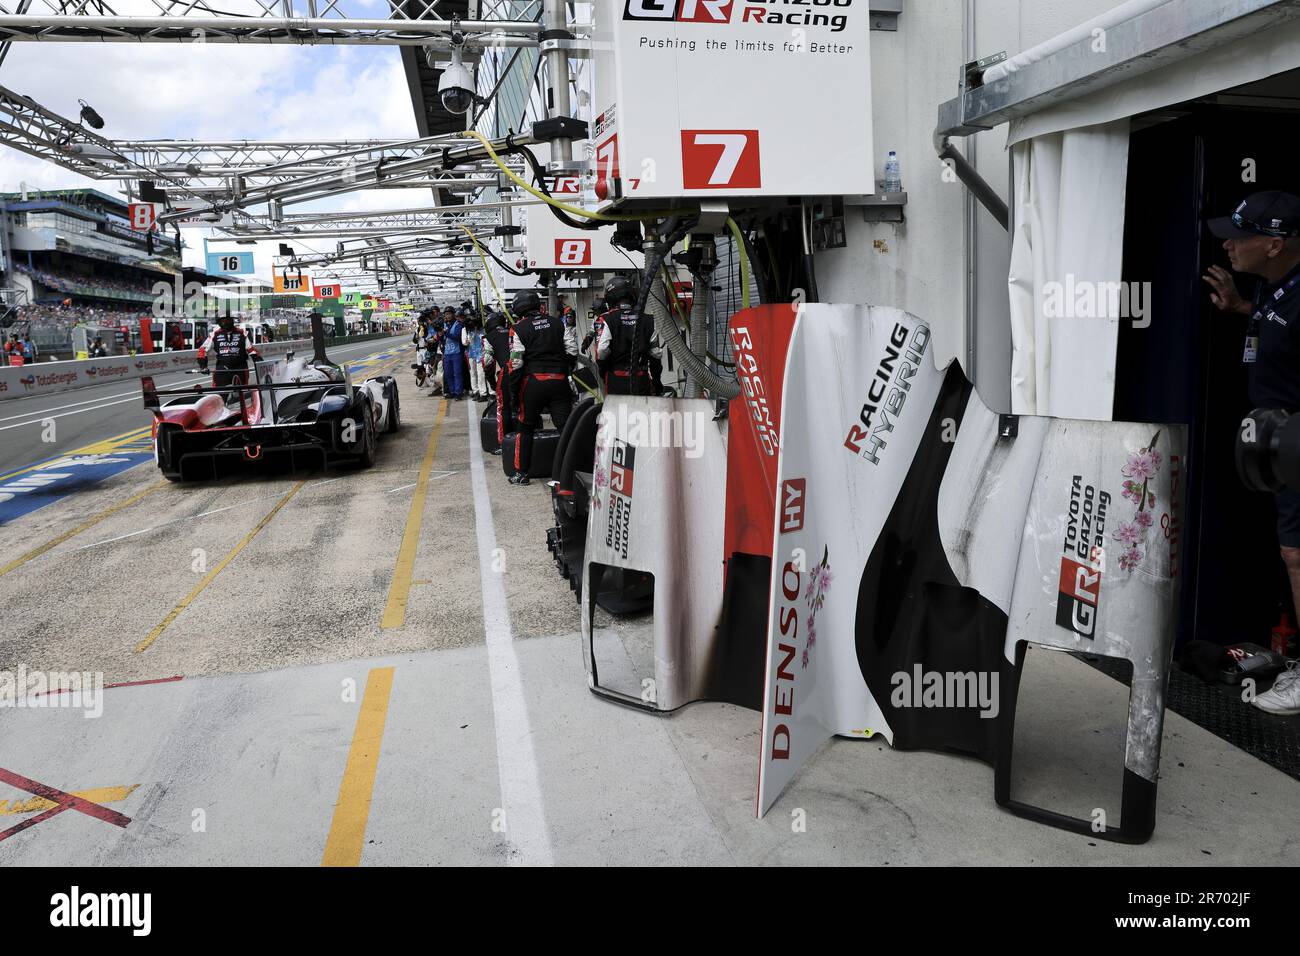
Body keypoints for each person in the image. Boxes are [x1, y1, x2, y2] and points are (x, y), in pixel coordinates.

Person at [1204, 190, 1300, 715]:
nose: (1229, 246)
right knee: (1290, 554)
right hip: (1272, 449)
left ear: (1275, 243)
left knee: (1297, 555)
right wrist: (1241, 307)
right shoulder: (1272, 286)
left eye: (1241, 237)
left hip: (1293, 445)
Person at [508, 289, 577, 484]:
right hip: (559, 381)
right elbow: (572, 350)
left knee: (525, 427)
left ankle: (521, 473)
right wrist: (564, 369)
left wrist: (514, 393)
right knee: (566, 427)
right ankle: (572, 471)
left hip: (533, 383)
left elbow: (516, 363)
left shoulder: (518, 328)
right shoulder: (557, 323)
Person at [595, 275, 662, 395]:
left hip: (616, 379)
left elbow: (601, 350)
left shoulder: (606, 318)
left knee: (618, 413)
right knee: (642, 413)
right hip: (641, 379)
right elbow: (655, 354)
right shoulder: (649, 320)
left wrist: (602, 369)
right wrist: (657, 381)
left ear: (610, 298)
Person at [196, 313, 260, 392]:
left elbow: (251, 350)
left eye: (228, 320)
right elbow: (202, 350)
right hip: (222, 368)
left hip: (240, 368)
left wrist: (259, 363)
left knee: (241, 394)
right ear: (219, 322)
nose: (226, 323)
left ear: (232, 320)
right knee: (219, 395)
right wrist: (203, 366)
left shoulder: (241, 333)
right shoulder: (214, 334)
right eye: (223, 321)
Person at [482, 310, 515, 455]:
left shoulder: (489, 337)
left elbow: (487, 362)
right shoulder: (512, 331)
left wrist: (491, 382)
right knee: (522, 407)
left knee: (503, 408)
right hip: (525, 372)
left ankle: (504, 443)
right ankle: (521, 438)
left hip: (507, 371)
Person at [443, 306, 466, 400]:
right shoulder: (444, 325)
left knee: (457, 373)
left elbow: (457, 337)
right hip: (447, 353)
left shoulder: (458, 324)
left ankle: (458, 392)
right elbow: (442, 339)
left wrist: (446, 333)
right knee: (448, 373)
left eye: (449, 314)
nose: (447, 316)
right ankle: (452, 391)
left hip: (457, 352)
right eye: (446, 314)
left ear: (453, 314)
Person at [463, 311, 487, 401]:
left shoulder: (482, 330)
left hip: (481, 354)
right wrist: (466, 341)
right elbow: (465, 341)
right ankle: (475, 391)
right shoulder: (467, 330)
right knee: (473, 374)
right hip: (471, 354)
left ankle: (483, 393)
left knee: (481, 374)